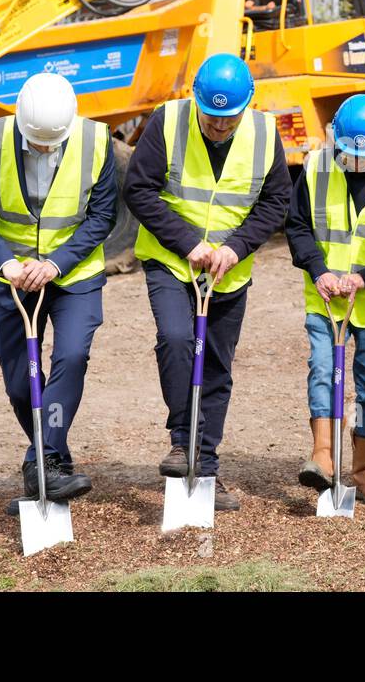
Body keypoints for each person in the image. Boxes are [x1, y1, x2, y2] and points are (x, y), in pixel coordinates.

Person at [124, 53, 291, 511]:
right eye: (212, 117)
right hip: (172, 262)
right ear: (195, 100)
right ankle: (182, 441)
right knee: (176, 339)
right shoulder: (168, 121)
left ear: (247, 105)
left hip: (228, 272)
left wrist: (236, 248)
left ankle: (207, 468)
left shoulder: (263, 133)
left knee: (217, 365)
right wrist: (187, 244)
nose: (219, 126)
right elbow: (137, 189)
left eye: (229, 118)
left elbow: (277, 201)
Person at [0, 71, 116, 512]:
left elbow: (102, 216)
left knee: (70, 357)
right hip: (11, 275)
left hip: (73, 275)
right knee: (16, 377)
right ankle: (54, 461)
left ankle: (41, 460)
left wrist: (56, 263)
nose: (45, 149)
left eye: (53, 143)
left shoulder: (96, 140)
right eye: (38, 143)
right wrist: (5, 261)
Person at [285, 94, 365, 506]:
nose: (356, 161)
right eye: (348, 153)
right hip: (326, 297)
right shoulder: (315, 166)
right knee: (322, 371)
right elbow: (298, 227)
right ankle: (323, 457)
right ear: (336, 140)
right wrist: (319, 271)